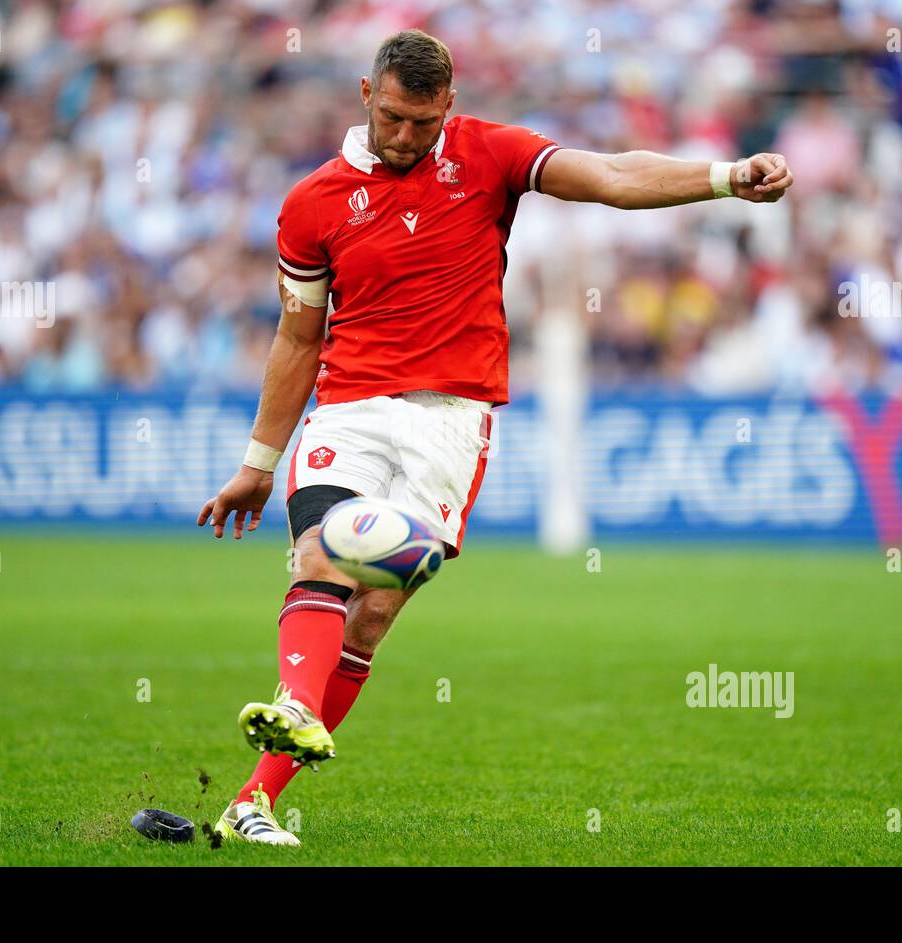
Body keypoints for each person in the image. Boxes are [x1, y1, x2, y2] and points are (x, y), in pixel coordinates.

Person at [197, 28, 793, 845]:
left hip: (453, 421)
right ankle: (295, 705)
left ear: (449, 105)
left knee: (371, 620)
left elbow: (615, 177)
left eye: (423, 123)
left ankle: (249, 804)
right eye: (393, 119)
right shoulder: (311, 206)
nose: (406, 138)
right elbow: (298, 340)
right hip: (350, 408)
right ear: (368, 97)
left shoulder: (490, 155)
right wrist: (258, 465)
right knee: (322, 550)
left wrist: (726, 178)